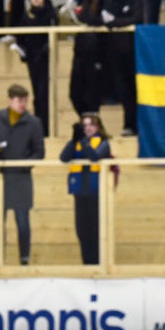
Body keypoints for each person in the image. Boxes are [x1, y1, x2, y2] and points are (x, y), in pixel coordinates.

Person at [0, 86, 46, 265]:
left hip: (21, 176)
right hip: (0, 175)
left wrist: (25, 164)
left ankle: (24, 259)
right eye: (19, 100)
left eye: (25, 100)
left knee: (23, 222)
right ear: (10, 100)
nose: (23, 104)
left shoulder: (34, 123)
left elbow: (39, 152)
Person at [60, 112, 112, 265]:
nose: (88, 128)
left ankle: (98, 262)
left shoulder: (103, 143)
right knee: (82, 230)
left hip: (96, 192)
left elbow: (94, 156)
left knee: (96, 230)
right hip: (80, 192)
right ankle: (87, 262)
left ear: (98, 127)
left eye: (91, 125)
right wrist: (73, 140)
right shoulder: (78, 142)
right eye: (85, 125)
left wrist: (83, 141)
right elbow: (63, 157)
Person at [13, 0, 57, 137]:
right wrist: (22, 50)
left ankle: (47, 129)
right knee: (37, 95)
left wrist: (43, 51)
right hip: (32, 59)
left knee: (44, 94)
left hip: (45, 59)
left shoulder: (50, 14)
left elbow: (53, 36)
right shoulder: (27, 14)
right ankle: (39, 128)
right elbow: (20, 36)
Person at [102, 0, 142, 136]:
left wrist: (116, 22)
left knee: (136, 89)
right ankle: (129, 125)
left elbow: (137, 18)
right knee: (123, 91)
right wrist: (120, 21)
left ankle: (140, 125)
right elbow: (106, 21)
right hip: (116, 53)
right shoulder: (108, 0)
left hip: (134, 52)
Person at [69, 0, 107, 117]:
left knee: (92, 92)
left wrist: (82, 17)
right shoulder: (84, 2)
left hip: (96, 54)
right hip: (80, 52)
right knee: (74, 92)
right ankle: (85, 120)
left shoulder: (105, 4)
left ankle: (91, 121)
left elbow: (98, 20)